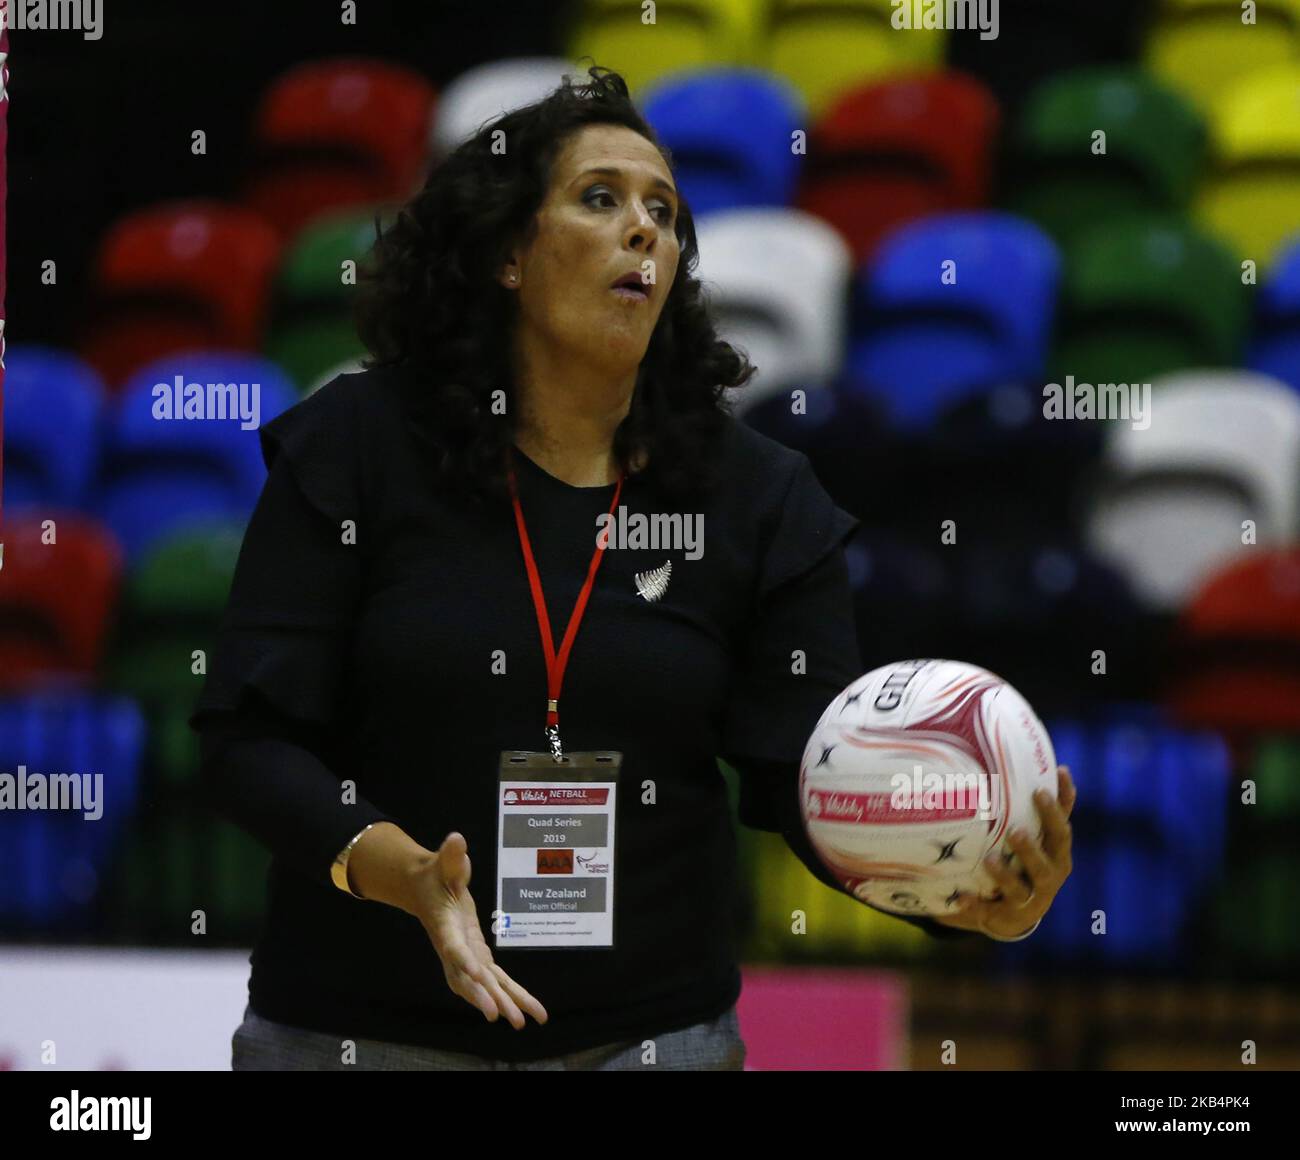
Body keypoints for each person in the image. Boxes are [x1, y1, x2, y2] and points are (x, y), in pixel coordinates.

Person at [189, 66, 1073, 1072]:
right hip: (359, 1032)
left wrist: (968, 896)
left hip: (648, 1039)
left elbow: (813, 774)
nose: (644, 229)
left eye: (664, 211)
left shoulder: (757, 496)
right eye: (599, 198)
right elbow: (247, 739)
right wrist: (399, 871)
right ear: (511, 251)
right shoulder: (354, 446)